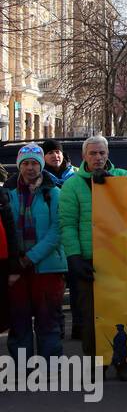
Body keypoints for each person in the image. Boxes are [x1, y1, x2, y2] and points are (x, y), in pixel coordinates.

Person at [59, 136, 127, 352]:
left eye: (101, 153)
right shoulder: (72, 185)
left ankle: (122, 361)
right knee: (91, 316)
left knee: (121, 312)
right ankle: (95, 363)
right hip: (88, 260)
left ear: (108, 154)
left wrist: (113, 187)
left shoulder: (124, 177)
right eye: (93, 153)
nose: (97, 157)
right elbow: (68, 224)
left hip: (119, 256)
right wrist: (75, 257)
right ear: (84, 156)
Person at [6, 144, 66, 361]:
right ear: (20, 166)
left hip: (48, 266)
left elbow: (57, 230)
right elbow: (7, 228)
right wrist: (17, 259)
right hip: (17, 268)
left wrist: (31, 257)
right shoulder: (8, 195)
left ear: (41, 165)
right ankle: (22, 365)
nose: (30, 168)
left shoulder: (54, 193)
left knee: (47, 319)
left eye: (34, 163)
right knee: (19, 319)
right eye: (26, 163)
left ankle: (50, 363)